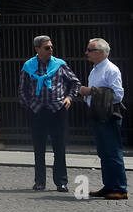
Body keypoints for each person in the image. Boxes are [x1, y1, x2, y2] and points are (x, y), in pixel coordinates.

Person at [19, 34, 80, 192]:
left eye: (52, 47)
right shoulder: (28, 66)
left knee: (59, 148)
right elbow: (22, 90)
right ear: (37, 49)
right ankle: (40, 181)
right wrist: (30, 105)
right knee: (38, 149)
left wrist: (69, 98)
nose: (51, 50)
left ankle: (61, 182)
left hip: (57, 111)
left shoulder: (60, 65)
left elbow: (75, 83)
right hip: (37, 112)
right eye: (47, 47)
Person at [79, 37, 126, 200]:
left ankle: (120, 188)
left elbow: (118, 95)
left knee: (113, 151)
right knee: (104, 152)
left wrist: (91, 91)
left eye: (89, 50)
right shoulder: (95, 69)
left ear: (99, 52)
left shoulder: (111, 70)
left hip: (109, 115)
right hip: (97, 114)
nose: (86, 53)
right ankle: (109, 186)